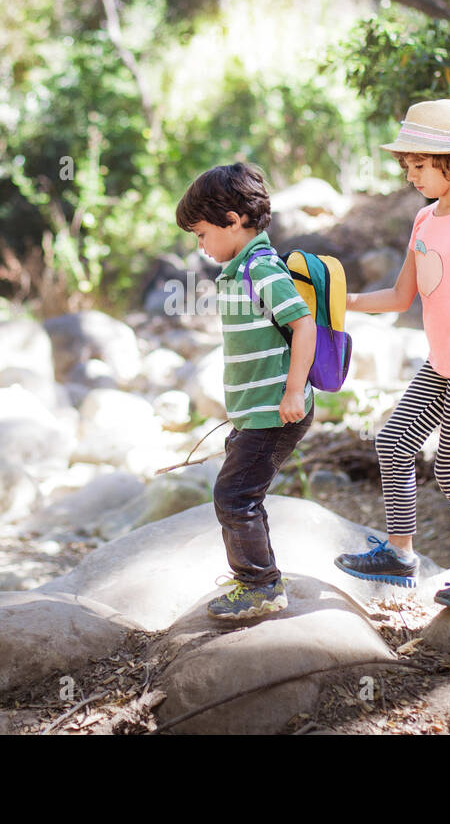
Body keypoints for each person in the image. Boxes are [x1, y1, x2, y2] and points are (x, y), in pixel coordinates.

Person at [334, 100, 450, 608]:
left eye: (419, 166)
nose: (411, 176)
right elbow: (399, 297)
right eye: (408, 167)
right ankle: (399, 553)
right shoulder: (424, 220)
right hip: (442, 360)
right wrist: (338, 304)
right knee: (393, 442)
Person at [175, 162, 317, 621]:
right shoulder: (240, 270)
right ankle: (262, 574)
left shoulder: (261, 268)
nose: (200, 245)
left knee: (233, 496)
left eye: (201, 234)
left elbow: (302, 324)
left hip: (277, 411)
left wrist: (294, 391)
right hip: (255, 414)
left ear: (233, 221)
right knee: (242, 493)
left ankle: (260, 584)